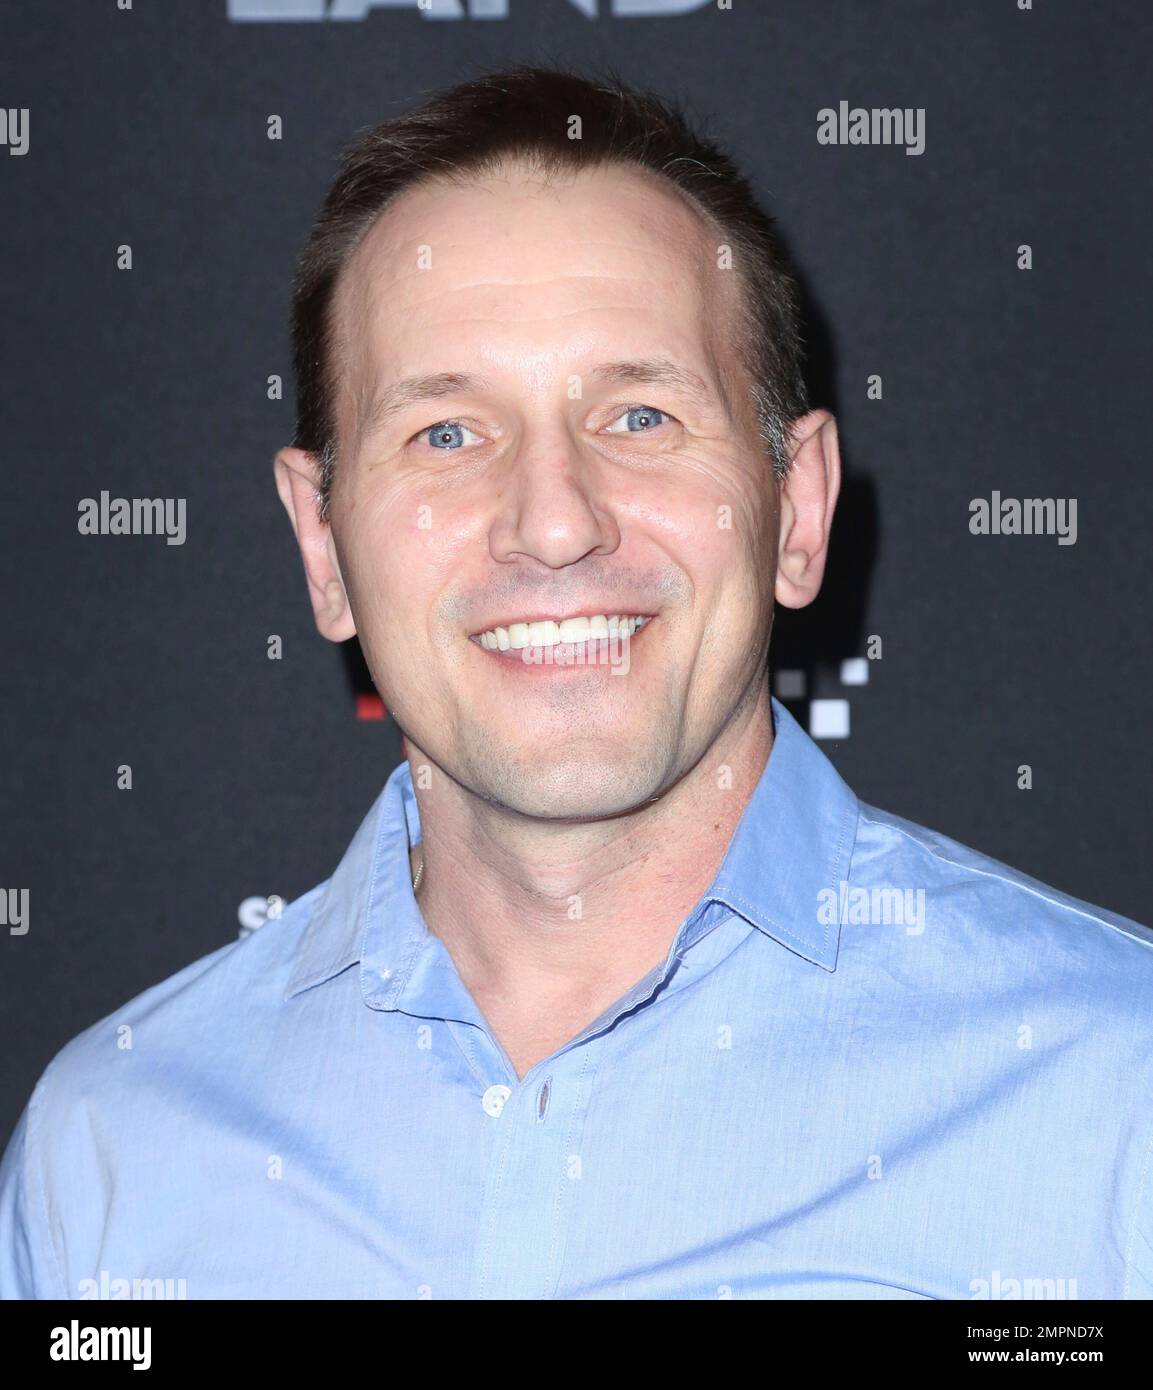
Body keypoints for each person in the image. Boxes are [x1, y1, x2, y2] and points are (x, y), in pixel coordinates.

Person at [2, 64, 1150, 1301]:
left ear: (798, 510)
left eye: (641, 416)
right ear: (323, 546)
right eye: (446, 432)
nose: (552, 523)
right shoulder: (108, 1159)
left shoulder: (1113, 1097)